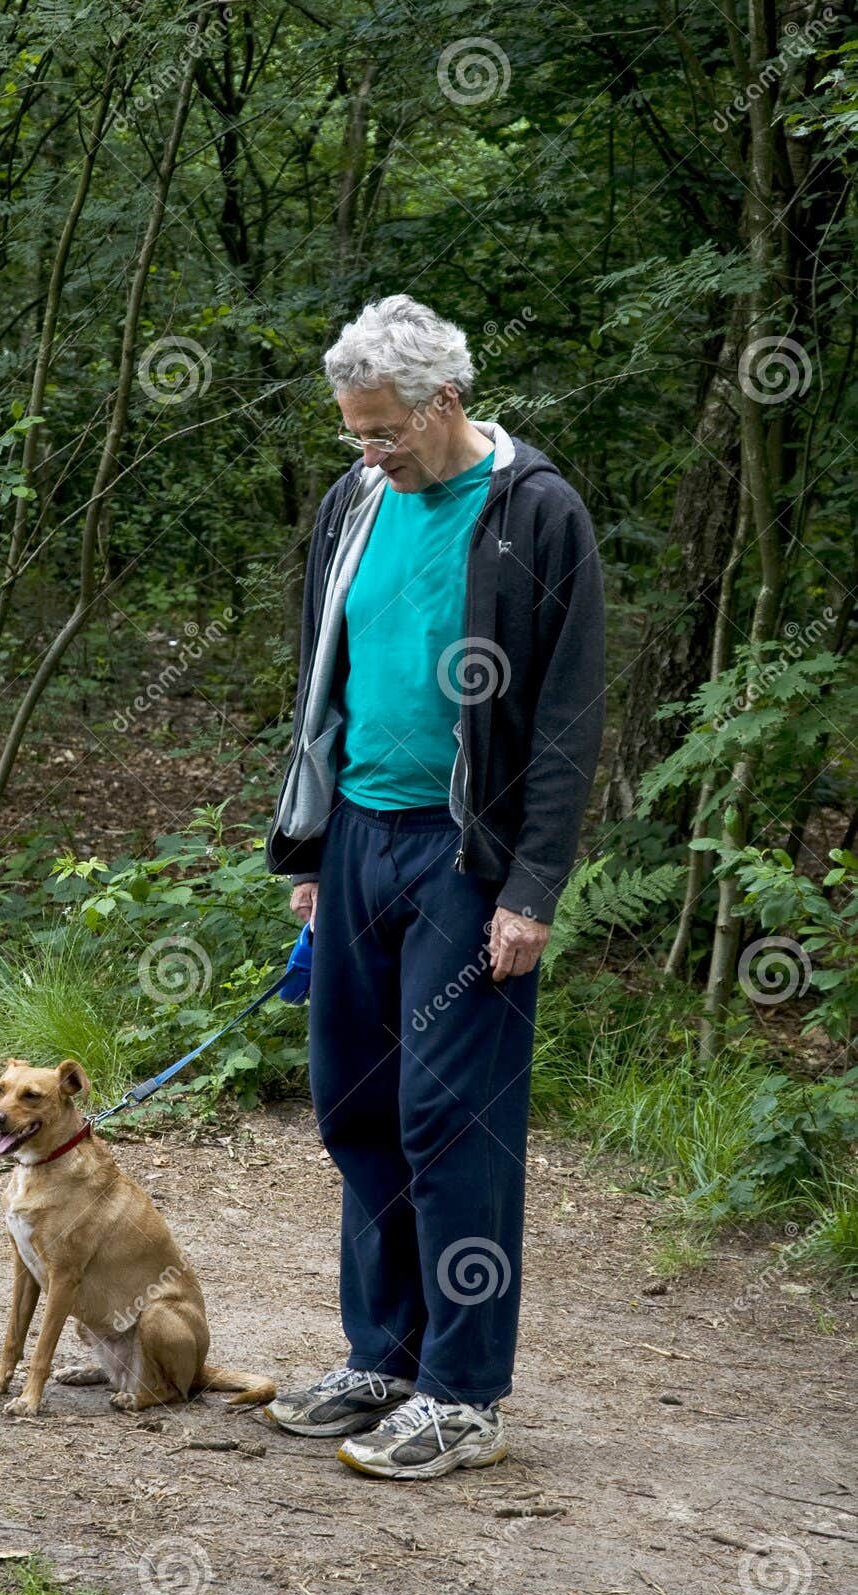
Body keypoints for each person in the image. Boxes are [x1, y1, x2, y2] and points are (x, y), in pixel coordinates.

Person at [262, 294, 606, 1480]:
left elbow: (565, 721)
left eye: (381, 431)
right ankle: (382, 1355)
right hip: (357, 835)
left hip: (470, 859)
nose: (367, 452)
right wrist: (310, 851)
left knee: (450, 1118)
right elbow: (325, 673)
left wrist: (532, 887)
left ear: (441, 402)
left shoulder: (535, 515)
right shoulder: (355, 504)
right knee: (355, 1105)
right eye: (353, 431)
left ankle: (461, 1393)